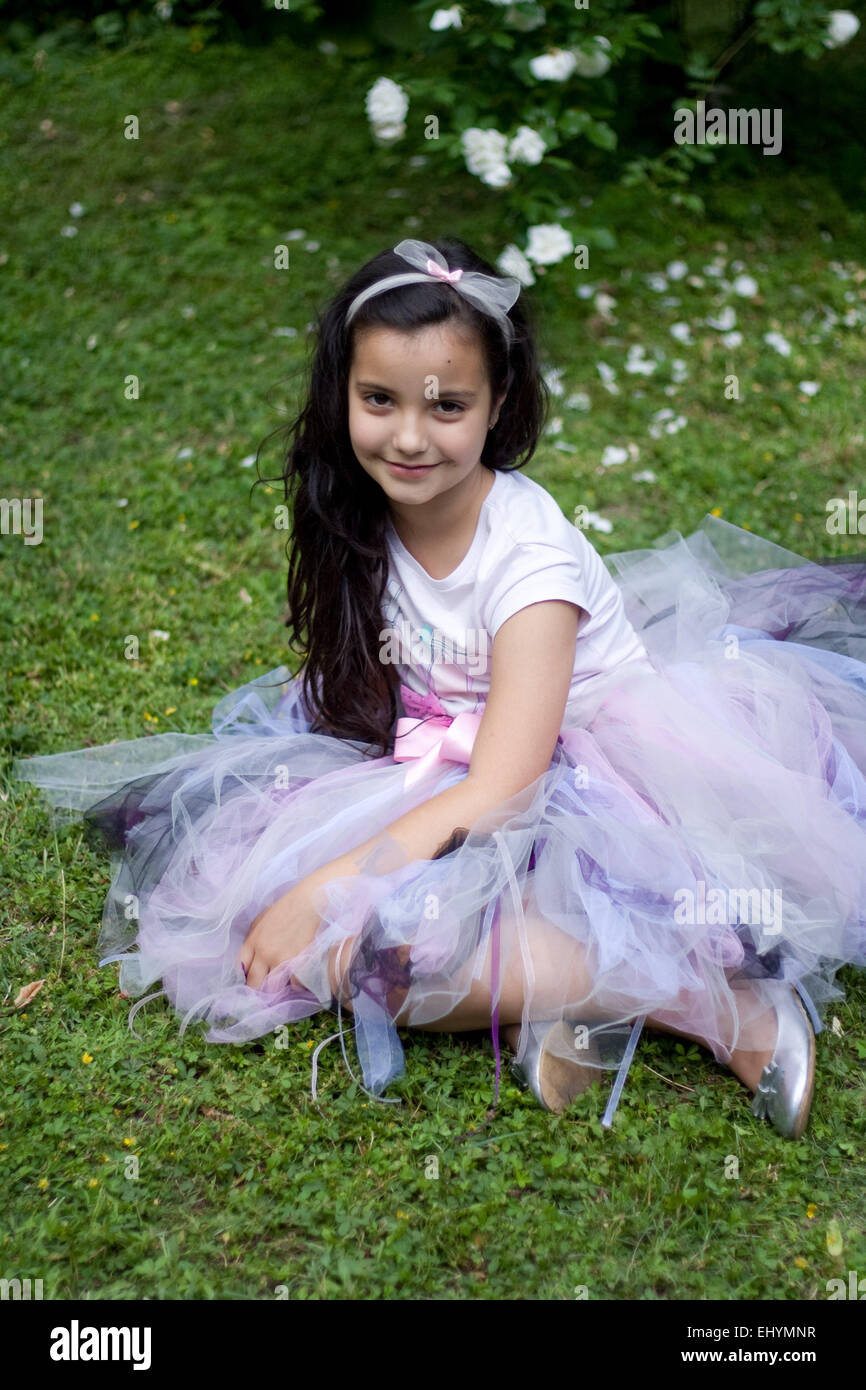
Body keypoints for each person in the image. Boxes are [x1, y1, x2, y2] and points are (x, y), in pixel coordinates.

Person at [13, 236, 866, 1141]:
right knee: (324, 949)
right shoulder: (360, 508)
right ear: (342, 393)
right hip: (446, 768)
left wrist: (329, 883)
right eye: (378, 400)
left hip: (588, 782)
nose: (409, 437)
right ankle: (584, 986)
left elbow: (505, 787)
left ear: (497, 405)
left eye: (447, 406)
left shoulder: (529, 561)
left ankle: (718, 998)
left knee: (366, 957)